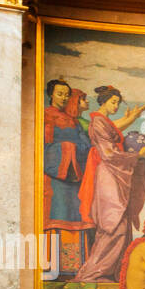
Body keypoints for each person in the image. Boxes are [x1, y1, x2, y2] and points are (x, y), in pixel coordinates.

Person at [75, 85, 145, 282]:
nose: (116, 106)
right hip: (108, 174)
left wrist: (132, 117)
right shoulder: (98, 122)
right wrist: (136, 156)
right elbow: (108, 154)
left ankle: (112, 272)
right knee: (113, 223)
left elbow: (117, 129)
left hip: (115, 172)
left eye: (117, 102)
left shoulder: (103, 121)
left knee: (121, 223)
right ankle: (94, 273)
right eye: (113, 102)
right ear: (104, 102)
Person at [42, 79, 92, 274]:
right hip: (55, 178)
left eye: (66, 94)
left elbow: (86, 146)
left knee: (76, 216)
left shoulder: (74, 121)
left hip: (75, 176)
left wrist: (75, 152)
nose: (63, 98)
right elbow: (42, 147)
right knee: (58, 215)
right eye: (59, 93)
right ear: (51, 94)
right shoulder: (45, 116)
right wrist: (68, 150)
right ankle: (54, 267)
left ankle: (76, 268)